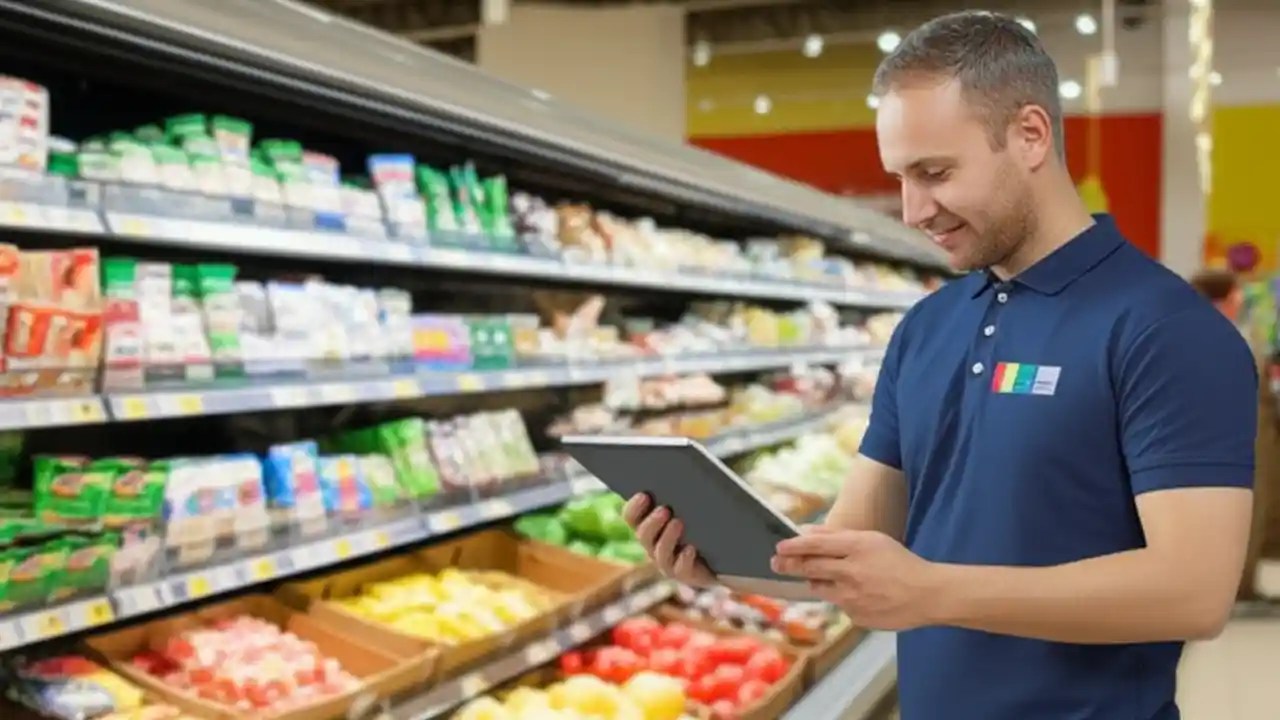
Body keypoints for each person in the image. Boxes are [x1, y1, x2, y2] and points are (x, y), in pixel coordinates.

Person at [624, 11, 1256, 720]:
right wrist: (729, 558)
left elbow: (1193, 593)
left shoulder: (1165, 329)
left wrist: (933, 590)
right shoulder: (926, 328)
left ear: (1030, 136)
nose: (913, 208)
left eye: (935, 173)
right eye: (899, 177)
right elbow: (853, 547)